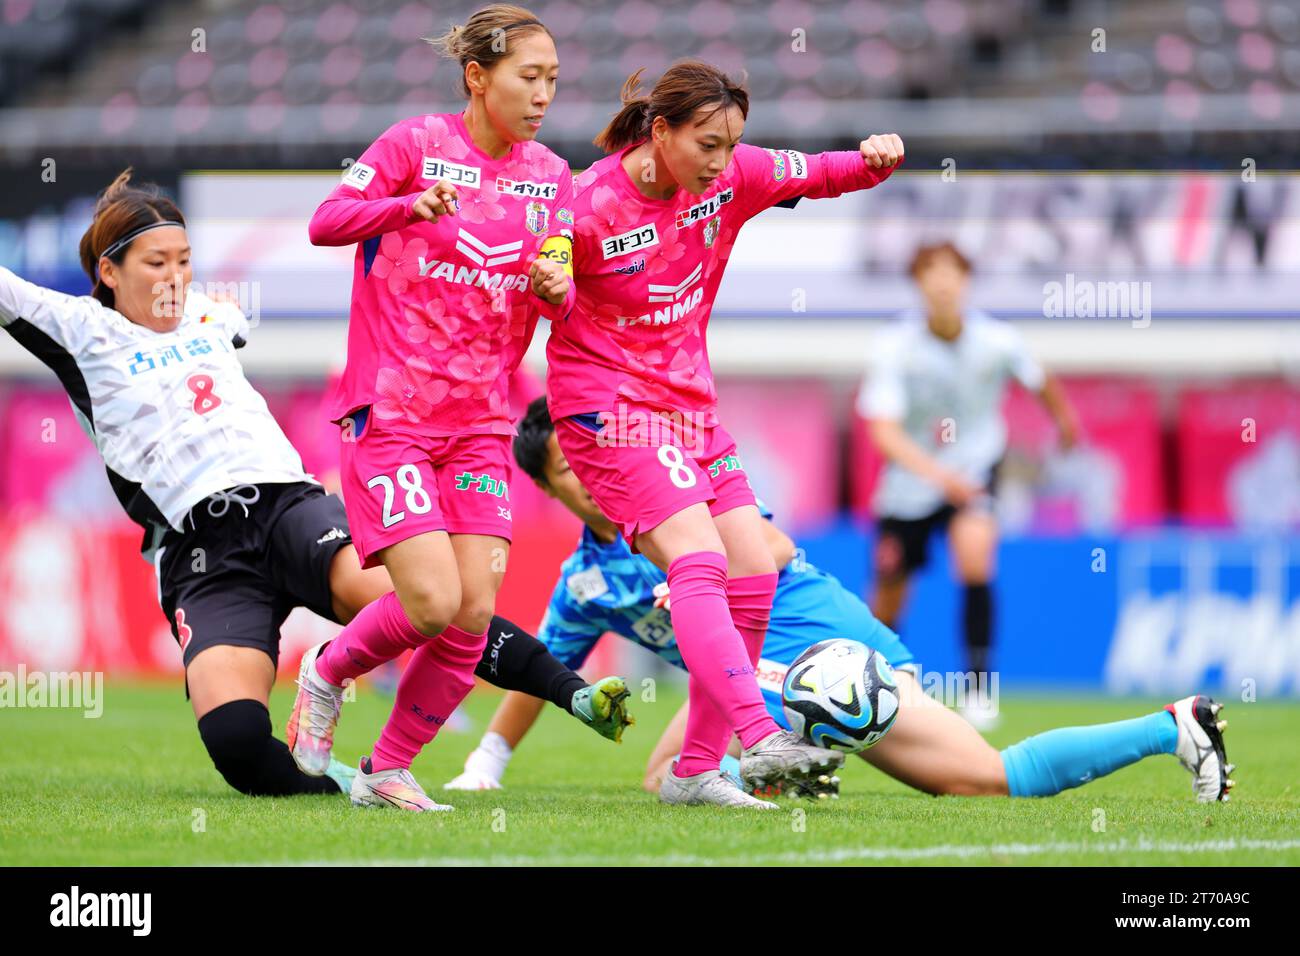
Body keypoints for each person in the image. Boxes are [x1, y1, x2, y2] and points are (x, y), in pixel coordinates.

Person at [449, 398, 1236, 805]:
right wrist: (487, 764)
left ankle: (1172, 728)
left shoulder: (680, 502)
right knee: (668, 781)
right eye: (567, 466)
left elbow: (777, 548)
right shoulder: (586, 583)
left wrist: (697, 576)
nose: (587, 470)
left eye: (592, 448)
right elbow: (543, 667)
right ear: (549, 488)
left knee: (987, 780)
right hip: (745, 683)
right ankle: (791, 764)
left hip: (830, 656)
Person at [544, 59, 904, 807]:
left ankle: (694, 771)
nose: (720, 160)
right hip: (607, 410)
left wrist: (874, 162)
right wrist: (547, 285)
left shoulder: (732, 176)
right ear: (660, 130)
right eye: (707, 143)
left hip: (690, 413)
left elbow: (821, 171)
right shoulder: (581, 206)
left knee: (754, 567)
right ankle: (760, 736)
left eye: (731, 143)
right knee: (699, 556)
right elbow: (530, 286)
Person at [0, 169, 387, 798]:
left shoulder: (210, 314)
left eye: (185, 259)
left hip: (283, 502)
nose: (176, 275)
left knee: (412, 603)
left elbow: (227, 331)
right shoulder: (77, 329)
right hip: (198, 547)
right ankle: (349, 787)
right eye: (157, 261)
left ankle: (561, 692)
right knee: (237, 743)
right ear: (108, 272)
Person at [291, 4, 576, 811]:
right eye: (530, 76)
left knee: (474, 612)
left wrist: (559, 286)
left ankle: (387, 769)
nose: (544, 93)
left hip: (481, 425)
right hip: (392, 416)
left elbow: (557, 261)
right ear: (477, 77)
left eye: (553, 78)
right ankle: (329, 669)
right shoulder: (413, 146)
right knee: (431, 600)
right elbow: (325, 222)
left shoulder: (552, 176)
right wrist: (404, 207)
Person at [858, 241, 1080, 729]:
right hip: (909, 486)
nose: (942, 282)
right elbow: (883, 431)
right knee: (891, 594)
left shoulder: (997, 340)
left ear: (965, 281)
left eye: (952, 272)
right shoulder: (895, 346)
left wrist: (1064, 420)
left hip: (976, 469)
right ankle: (872, 687)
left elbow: (1039, 378)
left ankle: (978, 689)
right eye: (930, 272)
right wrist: (940, 477)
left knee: (976, 556)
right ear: (917, 282)